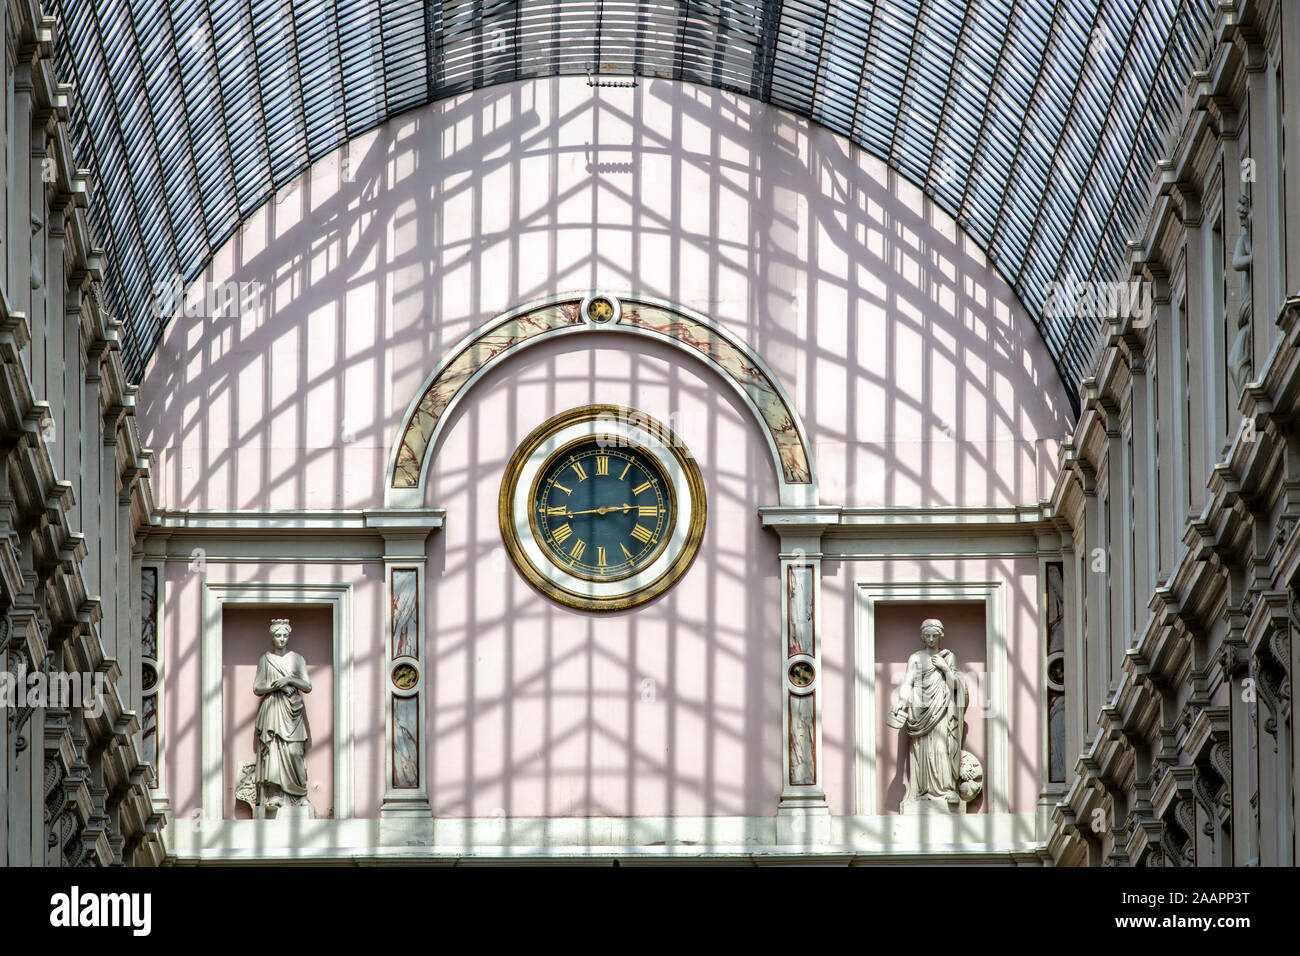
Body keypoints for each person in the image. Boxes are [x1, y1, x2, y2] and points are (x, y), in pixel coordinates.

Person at [886, 618, 967, 809]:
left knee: (941, 747)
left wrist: (945, 668)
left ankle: (947, 789)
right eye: (928, 636)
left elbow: (955, 685)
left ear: (940, 636)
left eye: (934, 636)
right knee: (921, 752)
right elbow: (908, 683)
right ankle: (921, 792)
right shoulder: (915, 658)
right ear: (923, 637)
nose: (931, 639)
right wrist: (901, 702)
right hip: (919, 712)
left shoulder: (948, 657)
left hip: (941, 711)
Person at [253, 618, 312, 812]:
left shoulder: (297, 658)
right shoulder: (265, 659)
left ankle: (299, 794)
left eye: (285, 635)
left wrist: (290, 680)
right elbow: (257, 687)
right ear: (272, 637)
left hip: (292, 711)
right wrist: (274, 686)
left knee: (295, 751)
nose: (282, 639)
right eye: (278, 635)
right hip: (272, 708)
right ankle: (275, 795)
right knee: (274, 751)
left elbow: (307, 685)